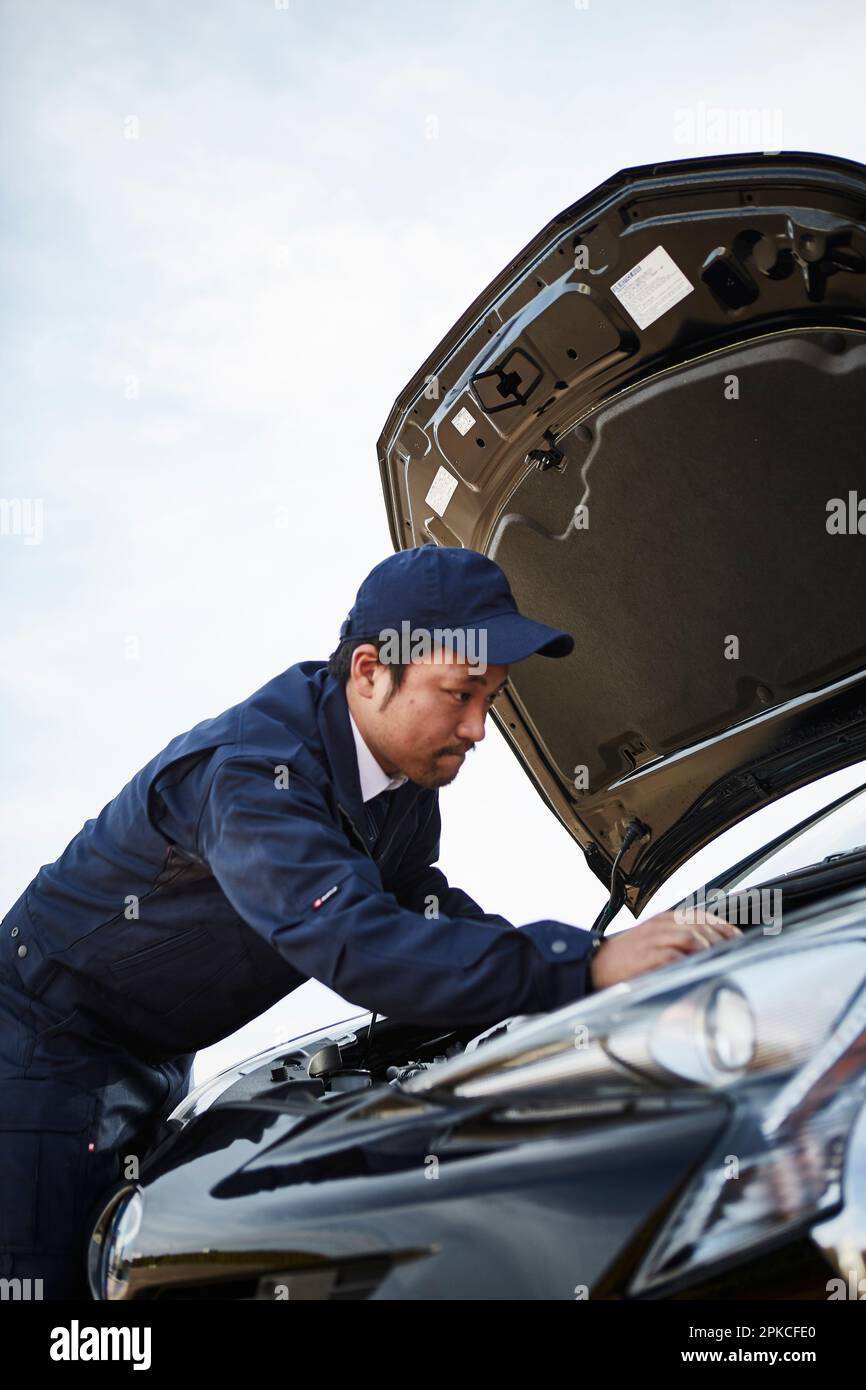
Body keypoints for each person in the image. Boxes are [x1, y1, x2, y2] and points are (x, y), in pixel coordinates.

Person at [0, 545, 737, 1299]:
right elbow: (355, 941)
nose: (479, 728)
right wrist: (580, 967)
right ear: (368, 673)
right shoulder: (256, 774)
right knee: (56, 1298)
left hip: (155, 1049)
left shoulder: (400, 772)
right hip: (40, 1044)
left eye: (493, 698)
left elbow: (417, 902)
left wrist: (590, 966)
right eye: (459, 693)